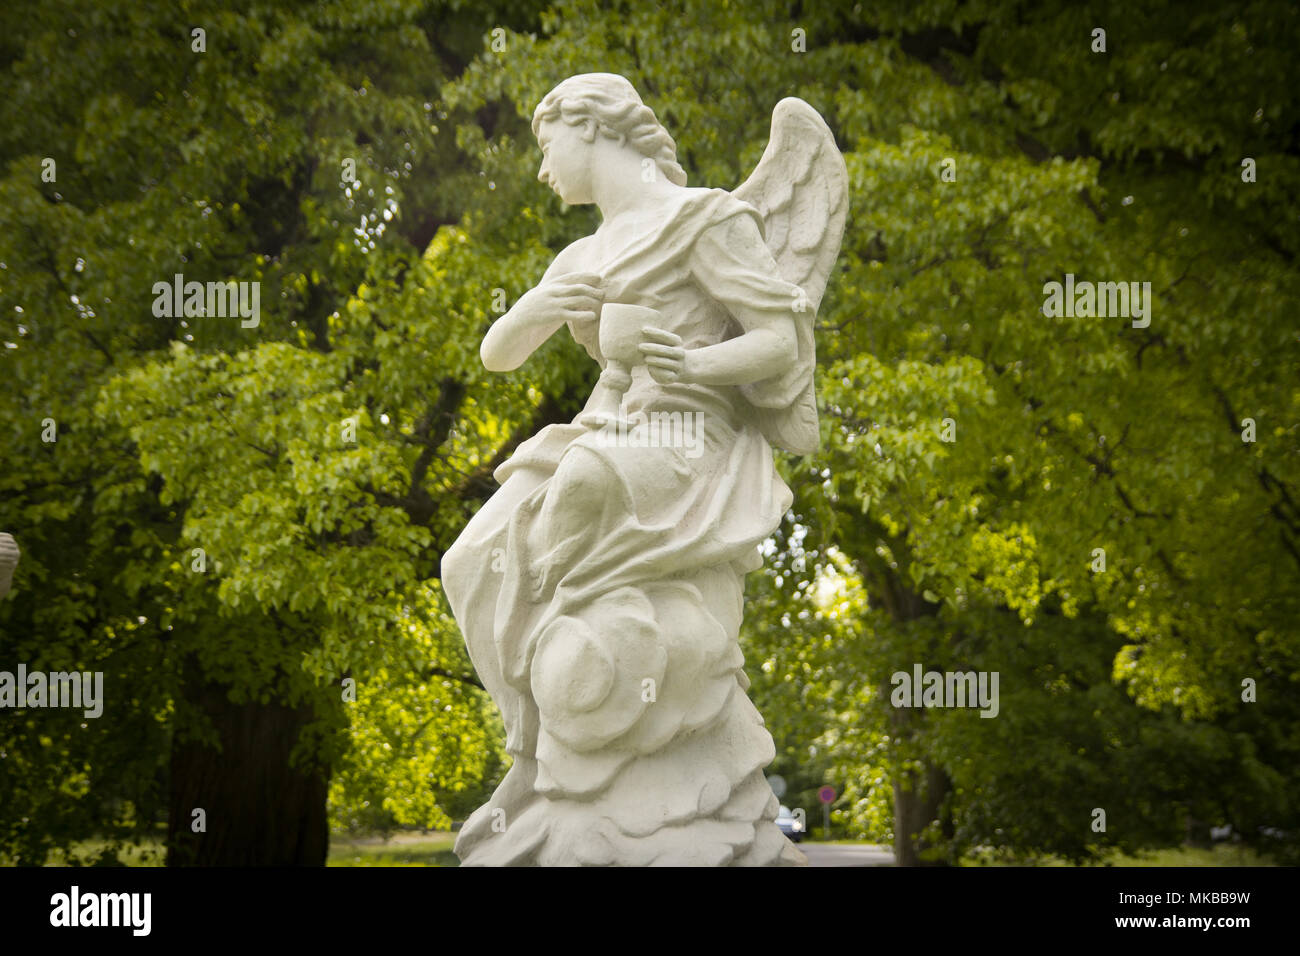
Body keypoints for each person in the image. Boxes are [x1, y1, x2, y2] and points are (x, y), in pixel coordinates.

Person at [443, 73, 806, 865]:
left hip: (688, 431)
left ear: (593, 127)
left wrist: (699, 364)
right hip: (606, 426)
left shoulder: (705, 218)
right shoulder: (584, 251)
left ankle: (596, 669)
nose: (543, 171)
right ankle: (533, 754)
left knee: (581, 481)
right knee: (467, 558)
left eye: (546, 146)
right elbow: (497, 354)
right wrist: (542, 306)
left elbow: (779, 342)